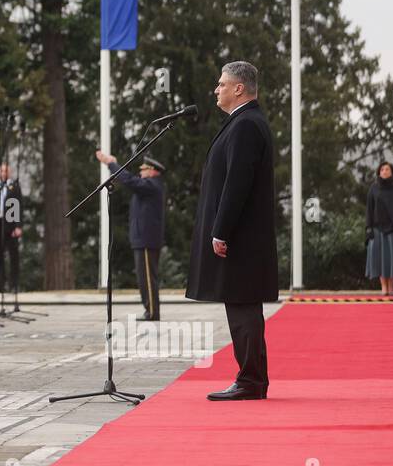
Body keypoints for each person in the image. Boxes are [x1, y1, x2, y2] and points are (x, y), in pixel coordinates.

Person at [186, 60, 278, 401]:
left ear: (239, 88)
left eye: (222, 84)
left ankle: (251, 380)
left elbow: (237, 184)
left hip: (242, 238)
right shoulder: (242, 122)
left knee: (243, 310)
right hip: (242, 237)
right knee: (241, 309)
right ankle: (250, 377)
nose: (216, 89)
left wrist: (220, 230)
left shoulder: (246, 125)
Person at [95, 150, 166, 321]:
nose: (141, 173)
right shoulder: (147, 186)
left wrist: (111, 163)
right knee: (143, 278)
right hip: (142, 239)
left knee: (148, 278)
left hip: (147, 240)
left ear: (153, 171)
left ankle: (153, 312)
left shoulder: (152, 185)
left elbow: (129, 181)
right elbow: (130, 181)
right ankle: (149, 309)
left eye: (144, 170)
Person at [364, 161, 393, 296]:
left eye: (387, 169)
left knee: (391, 261)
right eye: (382, 169)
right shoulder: (373, 189)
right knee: (379, 260)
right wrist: (368, 228)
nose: (385, 171)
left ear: (392, 172)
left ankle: (391, 287)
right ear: (379, 172)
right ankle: (383, 288)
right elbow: (369, 209)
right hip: (377, 230)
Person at [0, 163, 23, 303]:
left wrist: (18, 226)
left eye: (6, 171)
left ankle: (14, 285)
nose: (4, 173)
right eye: (1, 171)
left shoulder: (14, 188)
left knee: (13, 256)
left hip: (11, 223)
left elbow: (19, 206)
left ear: (9, 172)